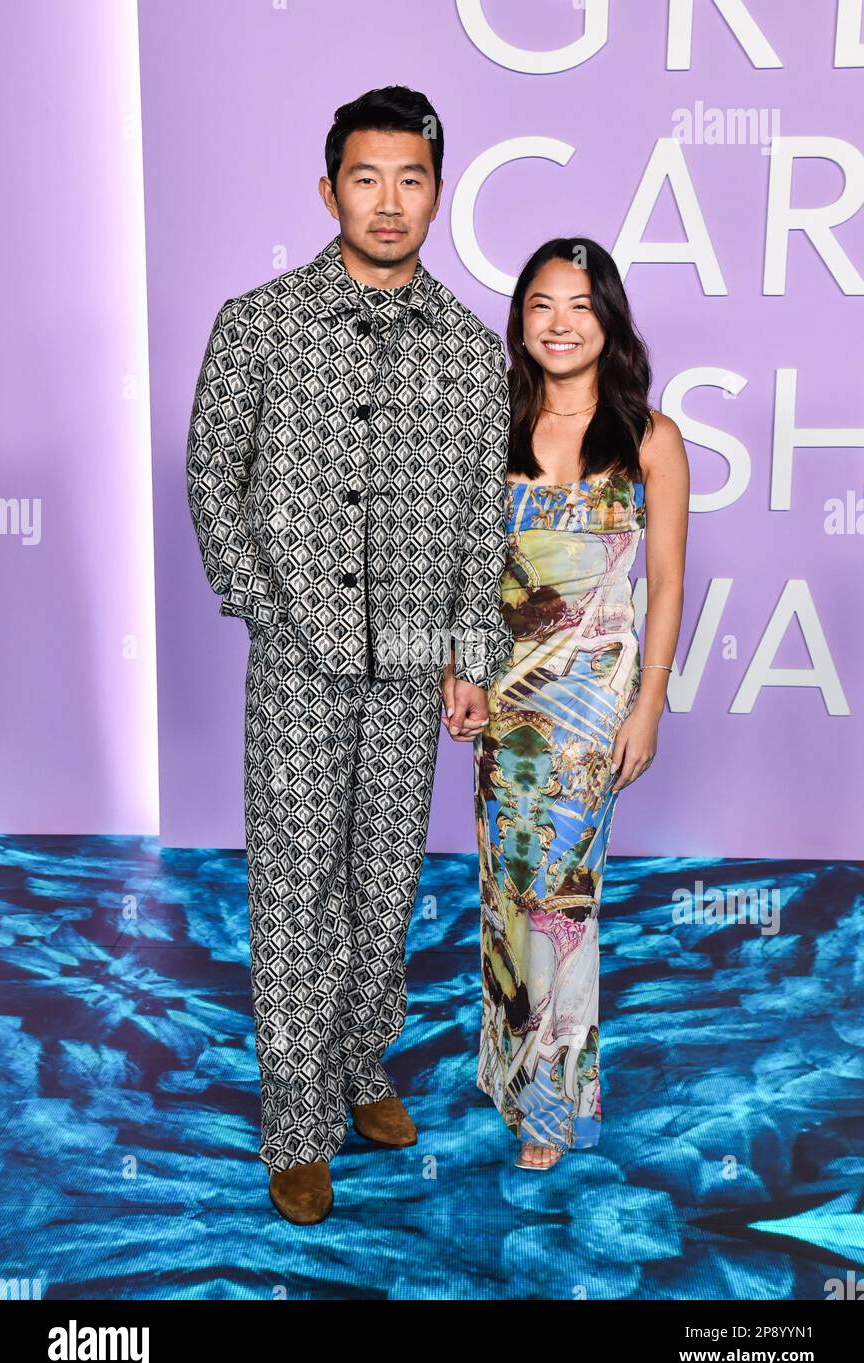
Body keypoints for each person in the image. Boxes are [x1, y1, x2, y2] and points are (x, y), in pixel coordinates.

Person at [185, 86, 512, 1223]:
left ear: (436, 190)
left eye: (410, 178)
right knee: (292, 890)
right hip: (296, 656)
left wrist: (469, 655)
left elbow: (481, 519)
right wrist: (263, 605)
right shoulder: (258, 324)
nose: (388, 200)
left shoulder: (474, 358)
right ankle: (295, 1120)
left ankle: (360, 1062)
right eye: (365, 178)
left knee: (383, 885)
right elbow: (210, 475)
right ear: (329, 190)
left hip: (416, 659)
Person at [445, 237, 689, 1169]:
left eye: (579, 305)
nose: (559, 322)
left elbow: (665, 582)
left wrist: (649, 706)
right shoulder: (489, 427)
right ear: (521, 323)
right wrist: (454, 672)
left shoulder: (651, 437)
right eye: (541, 305)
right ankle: (505, 1073)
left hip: (592, 711)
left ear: (609, 320)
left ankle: (553, 1104)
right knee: (507, 891)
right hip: (504, 710)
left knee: (563, 899)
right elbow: (466, 575)